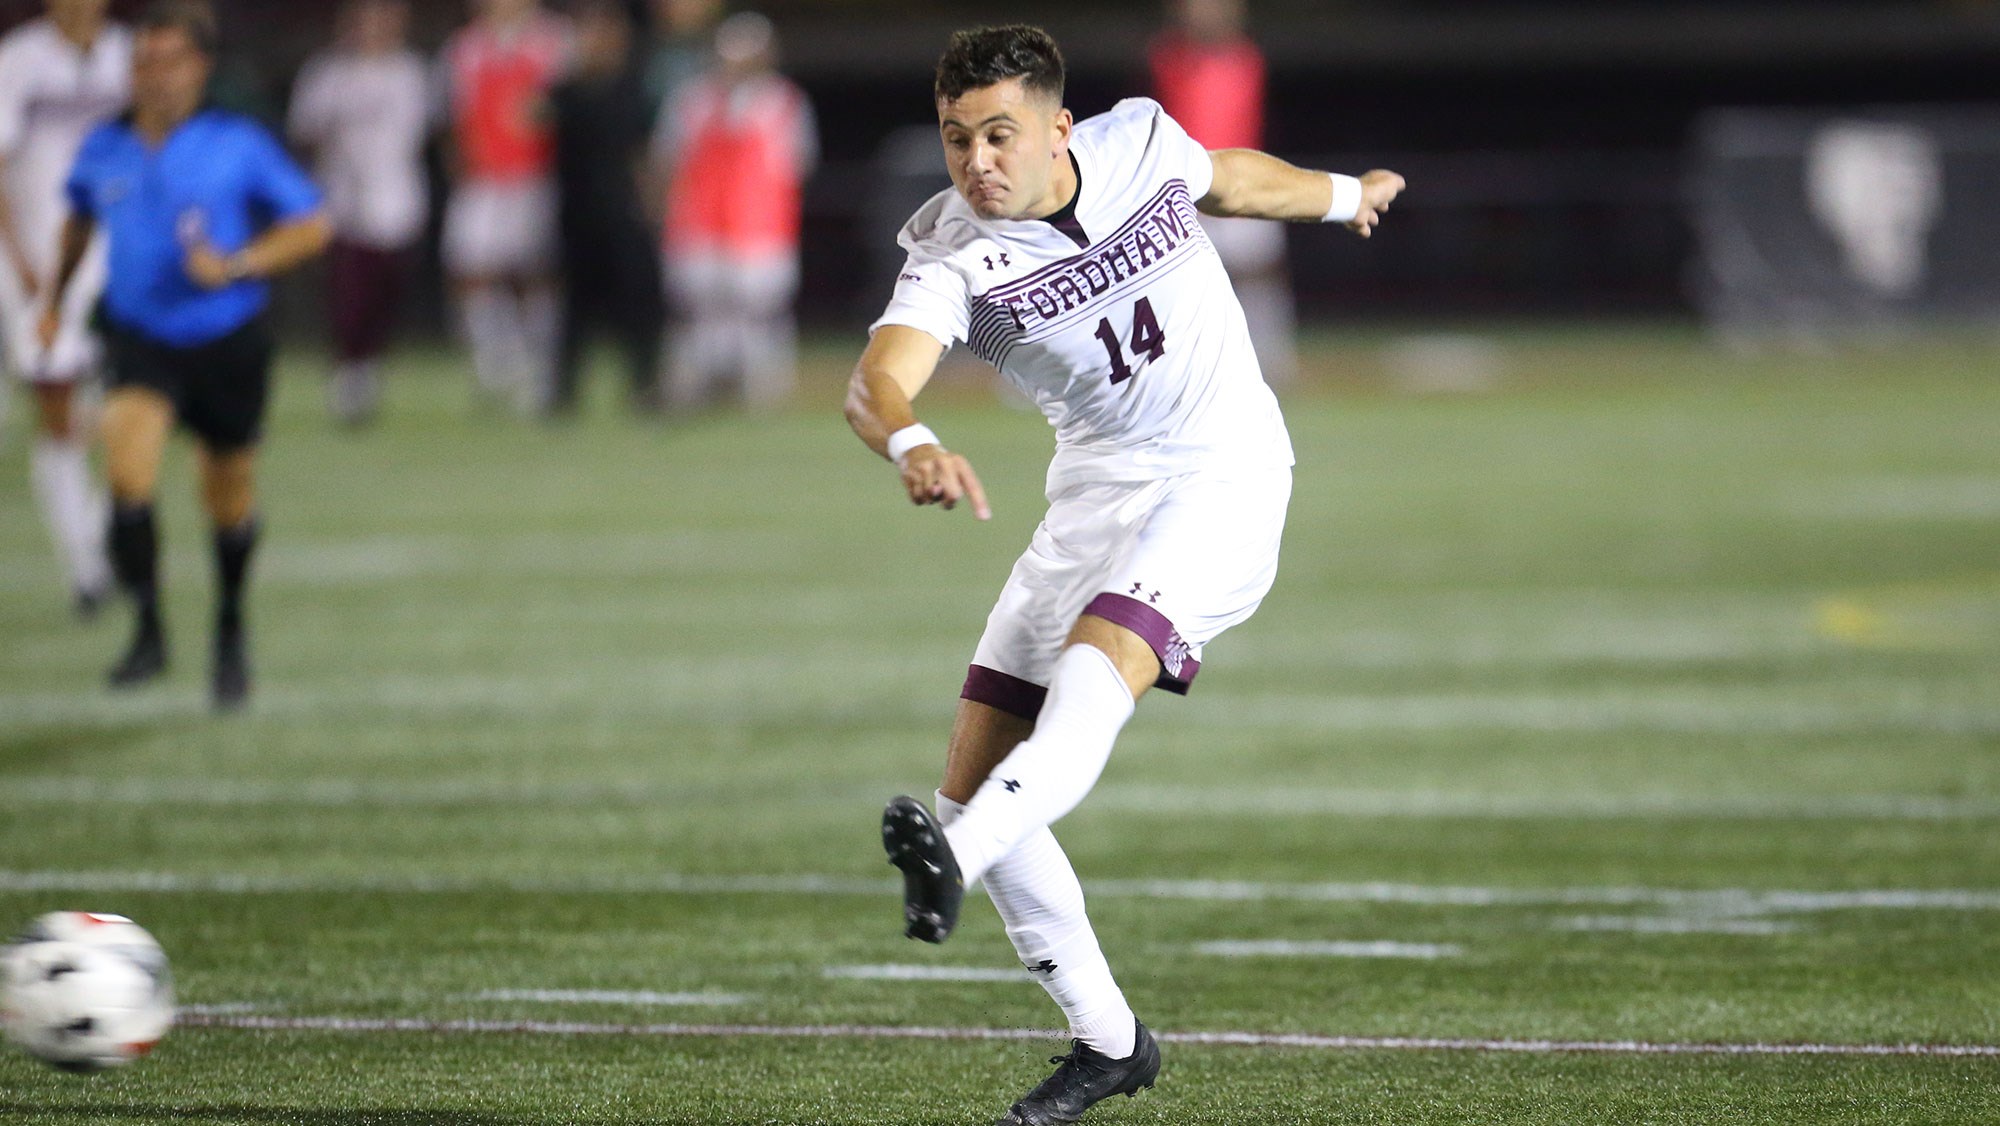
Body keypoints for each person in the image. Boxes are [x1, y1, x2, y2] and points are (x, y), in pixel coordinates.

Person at [845, 26, 1402, 1125]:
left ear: (1058, 129)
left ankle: (949, 862)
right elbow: (877, 379)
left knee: (1095, 679)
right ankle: (1108, 1042)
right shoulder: (954, 252)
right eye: (957, 139)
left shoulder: (1139, 141)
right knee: (972, 775)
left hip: (1222, 474)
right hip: (1092, 496)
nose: (976, 163)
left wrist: (1343, 195)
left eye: (999, 135)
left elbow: (1232, 177)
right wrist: (912, 443)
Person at [45, 0, 330, 709]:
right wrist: (53, 299)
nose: (156, 76)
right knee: (127, 468)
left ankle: (230, 628)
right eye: (144, 62)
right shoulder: (103, 146)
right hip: (140, 337)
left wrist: (237, 264)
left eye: (171, 61)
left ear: (200, 68)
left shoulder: (236, 141)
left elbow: (312, 224)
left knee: (227, 494)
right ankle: (148, 627)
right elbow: (78, 222)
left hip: (227, 338)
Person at [0, 0, 130, 617]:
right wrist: (23, 264)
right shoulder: (18, 61)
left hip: (122, 264)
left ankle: (107, 532)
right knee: (58, 406)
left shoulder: (131, 55)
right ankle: (86, 566)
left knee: (131, 405)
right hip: (42, 265)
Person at [654, 11, 816, 410]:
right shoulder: (691, 100)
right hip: (699, 223)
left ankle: (761, 389)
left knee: (759, 309)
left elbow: (798, 165)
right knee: (699, 308)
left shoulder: (784, 103)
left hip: (760, 226)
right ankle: (698, 387)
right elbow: (667, 159)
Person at [288, 0, 429, 426]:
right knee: (349, 287)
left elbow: (422, 133)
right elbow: (305, 133)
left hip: (395, 196)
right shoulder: (328, 74)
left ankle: (369, 364)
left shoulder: (409, 72)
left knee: (387, 288)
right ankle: (349, 370)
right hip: (342, 199)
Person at [1149, 0, 1297, 387]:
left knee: (1258, 276)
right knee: (1171, 284)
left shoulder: (1246, 60)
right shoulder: (1170, 60)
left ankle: (1272, 362)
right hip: (1184, 189)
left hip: (1240, 182)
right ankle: (1169, 368)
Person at [438, 0, 570, 414]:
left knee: (536, 271)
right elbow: (449, 113)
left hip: (536, 175)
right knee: (467, 265)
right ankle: (496, 356)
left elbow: (574, 103)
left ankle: (542, 363)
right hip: (482, 177)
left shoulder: (555, 41)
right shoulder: (463, 48)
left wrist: (547, 116)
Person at [547, 0, 663, 415]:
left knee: (637, 306)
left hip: (623, 215)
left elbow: (645, 156)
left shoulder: (634, 90)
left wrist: (652, 206)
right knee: (573, 311)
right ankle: (563, 391)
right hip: (575, 217)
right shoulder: (564, 92)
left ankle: (644, 387)